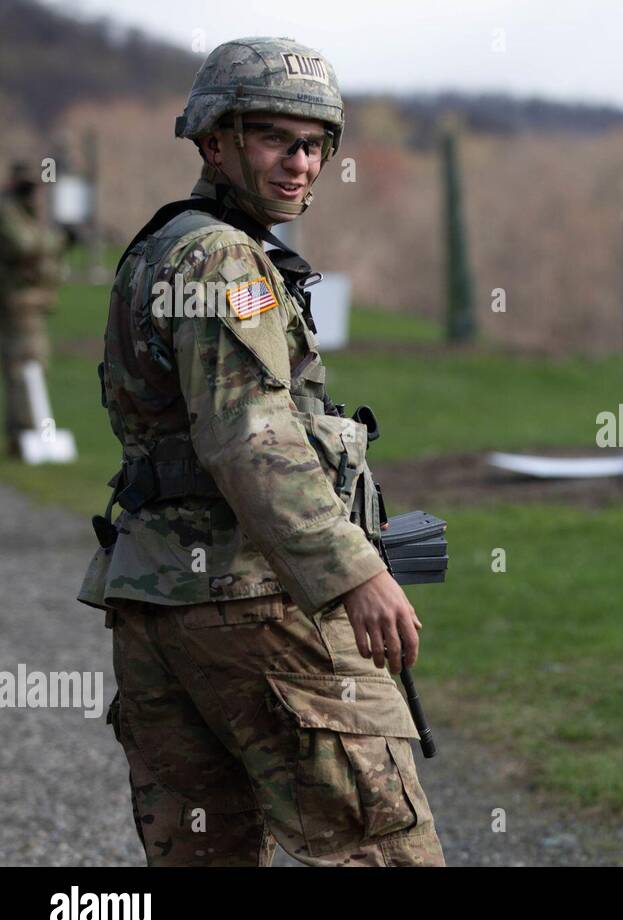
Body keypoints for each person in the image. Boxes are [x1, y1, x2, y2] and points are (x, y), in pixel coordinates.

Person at [78, 38, 444, 866]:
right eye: (276, 138)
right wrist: (356, 571)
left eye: (315, 144)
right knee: (380, 843)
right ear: (215, 141)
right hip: (251, 598)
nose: (301, 163)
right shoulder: (225, 259)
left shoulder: (160, 249)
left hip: (158, 602)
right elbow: (251, 436)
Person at [0, 160, 65, 456]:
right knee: (26, 364)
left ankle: (24, 436)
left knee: (31, 365)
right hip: (17, 302)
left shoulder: (27, 213)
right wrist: (59, 240)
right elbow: (24, 244)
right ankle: (25, 435)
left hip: (31, 301)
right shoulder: (8, 212)